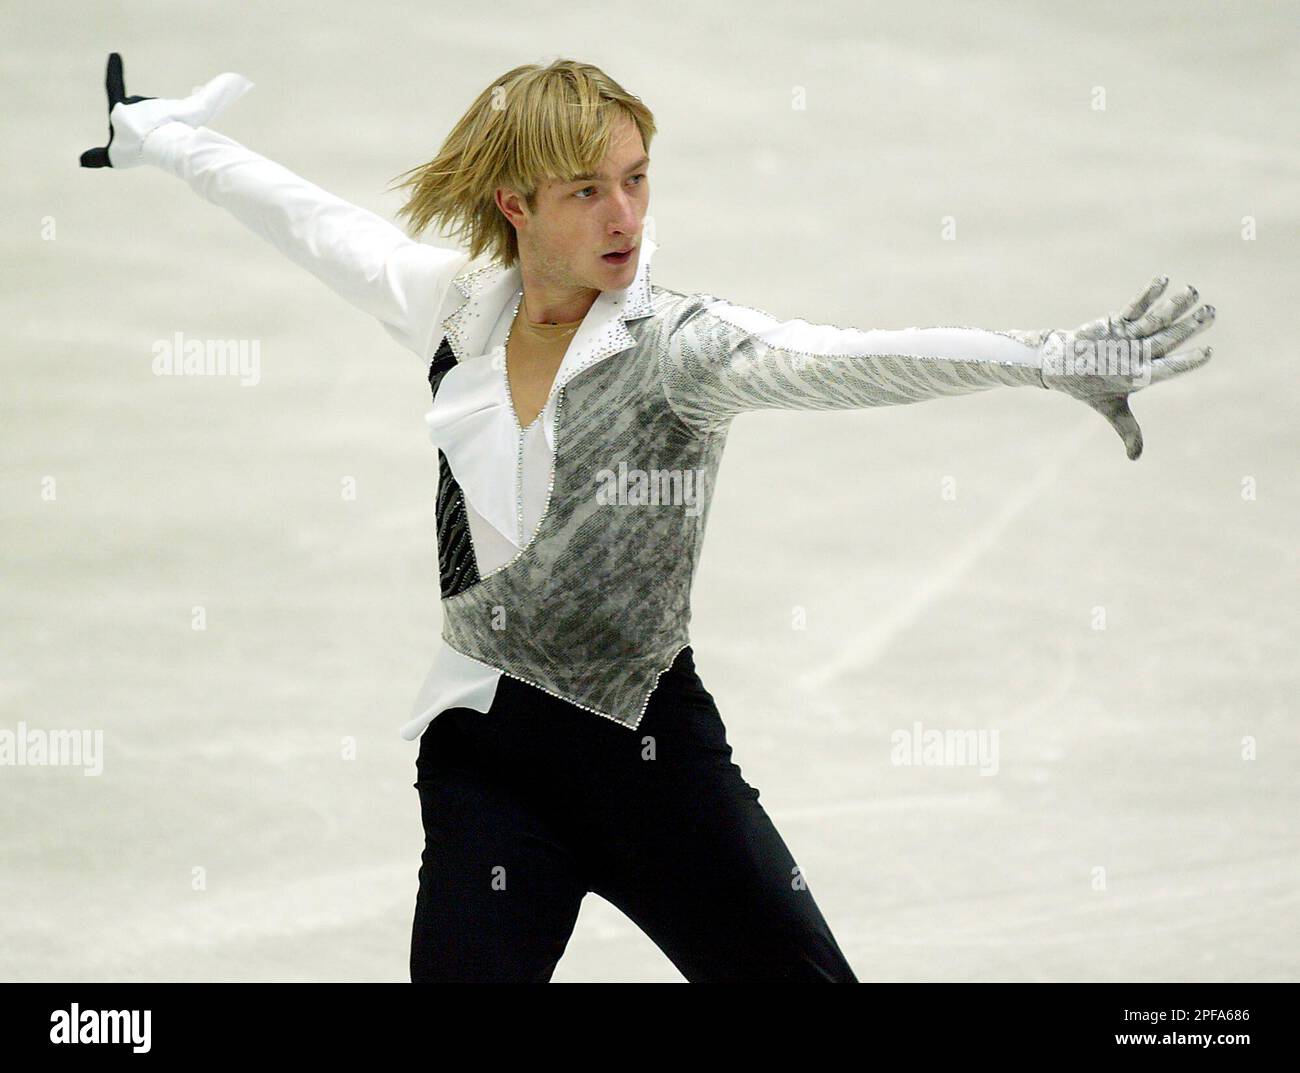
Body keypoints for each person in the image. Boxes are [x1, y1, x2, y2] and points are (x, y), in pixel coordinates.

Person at [81, 53, 1216, 982]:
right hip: (485, 758)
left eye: (636, 178)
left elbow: (846, 359)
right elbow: (308, 220)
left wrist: (1046, 361)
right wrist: (158, 135)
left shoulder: (677, 347)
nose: (624, 214)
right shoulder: (456, 313)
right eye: (587, 190)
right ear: (515, 204)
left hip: (653, 759)